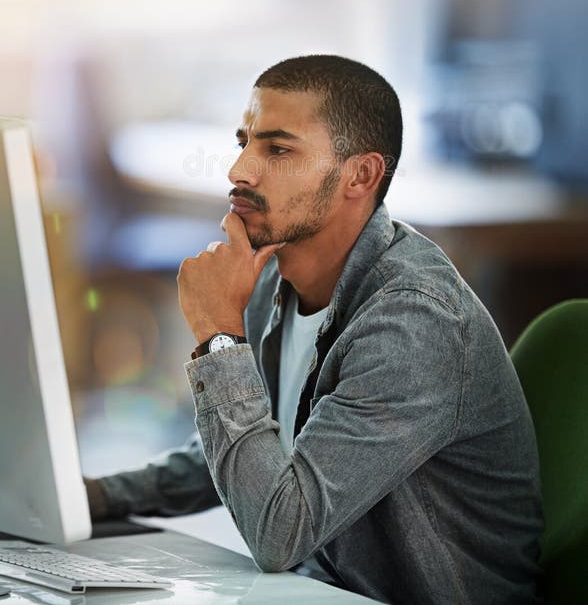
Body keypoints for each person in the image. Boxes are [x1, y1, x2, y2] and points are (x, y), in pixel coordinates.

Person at [86, 54, 543, 604]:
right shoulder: (269, 278)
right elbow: (247, 457)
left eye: (277, 150)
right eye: (244, 143)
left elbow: (280, 532)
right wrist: (90, 497)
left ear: (361, 175)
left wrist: (218, 338)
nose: (239, 171)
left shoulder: (415, 321)